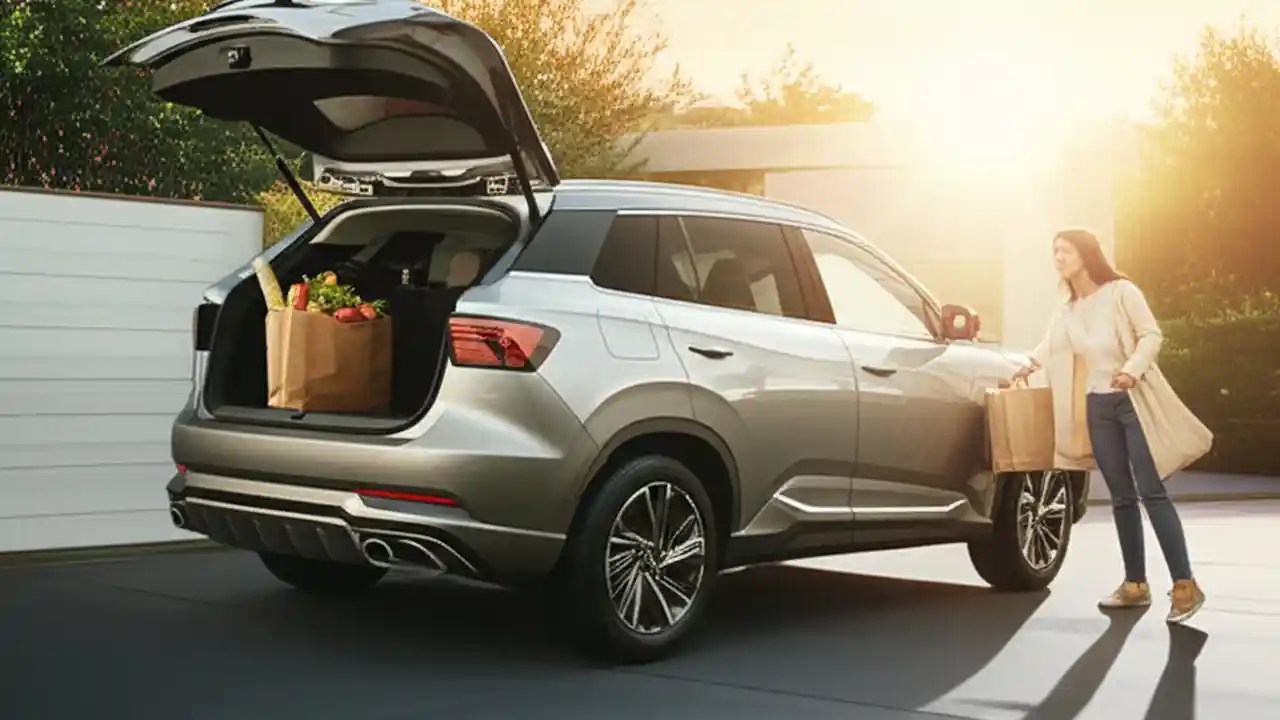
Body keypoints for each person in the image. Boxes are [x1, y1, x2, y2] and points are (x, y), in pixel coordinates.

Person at [1012, 227, 1210, 624]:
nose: (1058, 257)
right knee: (1121, 496)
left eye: (1064, 250)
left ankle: (1185, 585)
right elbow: (1051, 344)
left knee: (1151, 492)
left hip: (1130, 400)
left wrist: (1132, 371)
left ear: (1086, 254)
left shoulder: (1121, 292)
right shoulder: (1068, 306)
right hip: (1096, 405)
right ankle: (1135, 585)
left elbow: (1151, 334)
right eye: (1054, 251)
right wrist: (1027, 365)